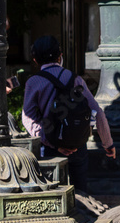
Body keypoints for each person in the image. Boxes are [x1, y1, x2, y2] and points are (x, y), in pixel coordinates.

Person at [22, 35, 115, 193]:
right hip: (77, 143)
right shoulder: (76, 79)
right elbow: (98, 113)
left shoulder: (34, 82)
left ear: (35, 59)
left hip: (50, 148)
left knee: (52, 191)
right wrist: (108, 145)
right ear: (60, 57)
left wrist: (52, 143)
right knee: (81, 190)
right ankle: (85, 215)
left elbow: (28, 118)